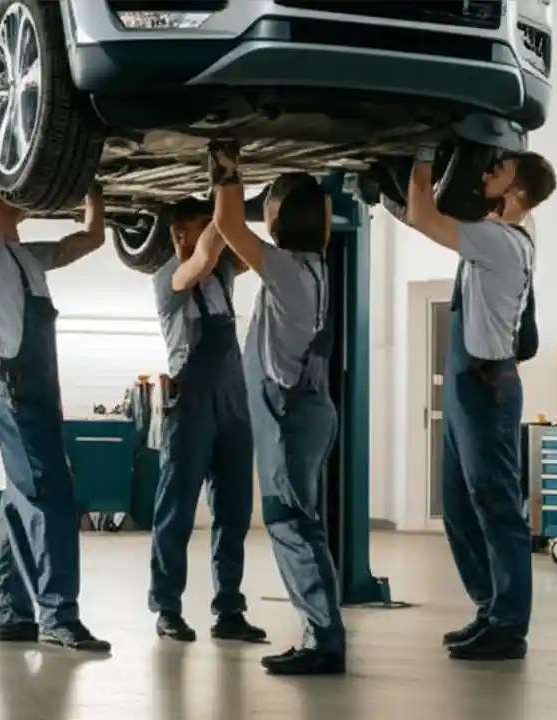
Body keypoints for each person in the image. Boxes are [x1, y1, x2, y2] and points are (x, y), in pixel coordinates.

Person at [0, 134, 111, 653]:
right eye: (3, 189)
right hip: (18, 395)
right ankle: (58, 615)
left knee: (18, 500)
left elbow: (89, 239)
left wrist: (92, 185)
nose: (16, 190)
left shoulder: (27, 257)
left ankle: (12, 613)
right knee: (53, 498)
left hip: (36, 395)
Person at [403, 145, 557, 661]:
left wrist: (422, 155)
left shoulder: (500, 240)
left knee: (496, 505)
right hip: (469, 384)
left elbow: (423, 215)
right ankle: (490, 607)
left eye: (501, 169)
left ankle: (510, 625)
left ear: (517, 192)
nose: (488, 170)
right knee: (458, 505)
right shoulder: (496, 234)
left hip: (487, 388)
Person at [208, 141, 346, 676]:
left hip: (288, 416)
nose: (262, 213)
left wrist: (226, 164)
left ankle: (324, 640)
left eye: (270, 205)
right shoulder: (317, 266)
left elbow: (227, 227)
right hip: (307, 412)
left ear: (283, 218)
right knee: (302, 524)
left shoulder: (287, 270)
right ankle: (321, 631)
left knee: (290, 524)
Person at [148, 196, 267, 644]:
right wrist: (224, 194)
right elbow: (201, 258)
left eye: (200, 227)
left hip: (233, 402)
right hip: (191, 403)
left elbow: (242, 250)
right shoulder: (169, 278)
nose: (184, 237)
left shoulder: (222, 272)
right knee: (175, 510)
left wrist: (243, 208)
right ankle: (167, 608)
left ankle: (230, 609)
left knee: (234, 511)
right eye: (180, 229)